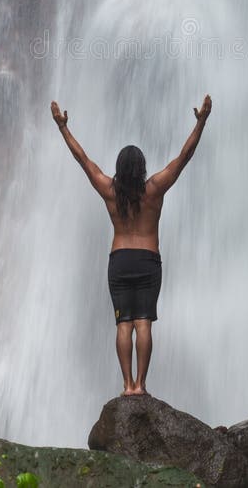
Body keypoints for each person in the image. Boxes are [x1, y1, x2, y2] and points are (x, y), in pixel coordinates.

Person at [50, 93, 212, 396]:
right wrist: (201, 122)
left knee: (123, 323)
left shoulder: (109, 191)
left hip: (120, 259)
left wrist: (63, 128)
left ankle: (126, 386)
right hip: (148, 260)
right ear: (141, 167)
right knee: (144, 323)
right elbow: (183, 158)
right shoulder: (154, 189)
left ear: (119, 168)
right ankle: (141, 384)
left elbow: (82, 160)